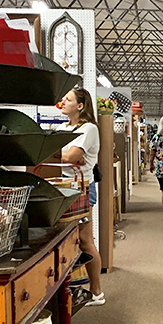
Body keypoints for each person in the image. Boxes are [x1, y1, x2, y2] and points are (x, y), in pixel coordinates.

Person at [60, 88, 104, 307]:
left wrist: (64, 156)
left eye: (68, 99)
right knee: (64, 241)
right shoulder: (63, 128)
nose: (63, 101)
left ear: (80, 106)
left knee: (86, 242)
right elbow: (65, 157)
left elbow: (72, 156)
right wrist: (65, 157)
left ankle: (97, 292)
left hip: (82, 188)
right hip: (62, 187)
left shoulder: (89, 129)